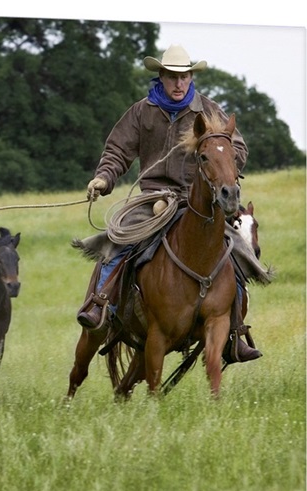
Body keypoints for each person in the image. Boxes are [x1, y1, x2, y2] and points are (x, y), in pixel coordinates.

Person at [74, 44, 269, 364]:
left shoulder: (209, 111)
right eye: (172, 77)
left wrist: (219, 166)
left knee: (235, 251)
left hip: (199, 201)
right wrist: (103, 179)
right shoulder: (141, 111)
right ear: (161, 77)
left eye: (185, 76)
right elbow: (117, 151)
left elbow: (237, 149)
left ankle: (234, 332)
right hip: (151, 197)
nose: (179, 83)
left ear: (191, 77)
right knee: (117, 240)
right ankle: (101, 306)